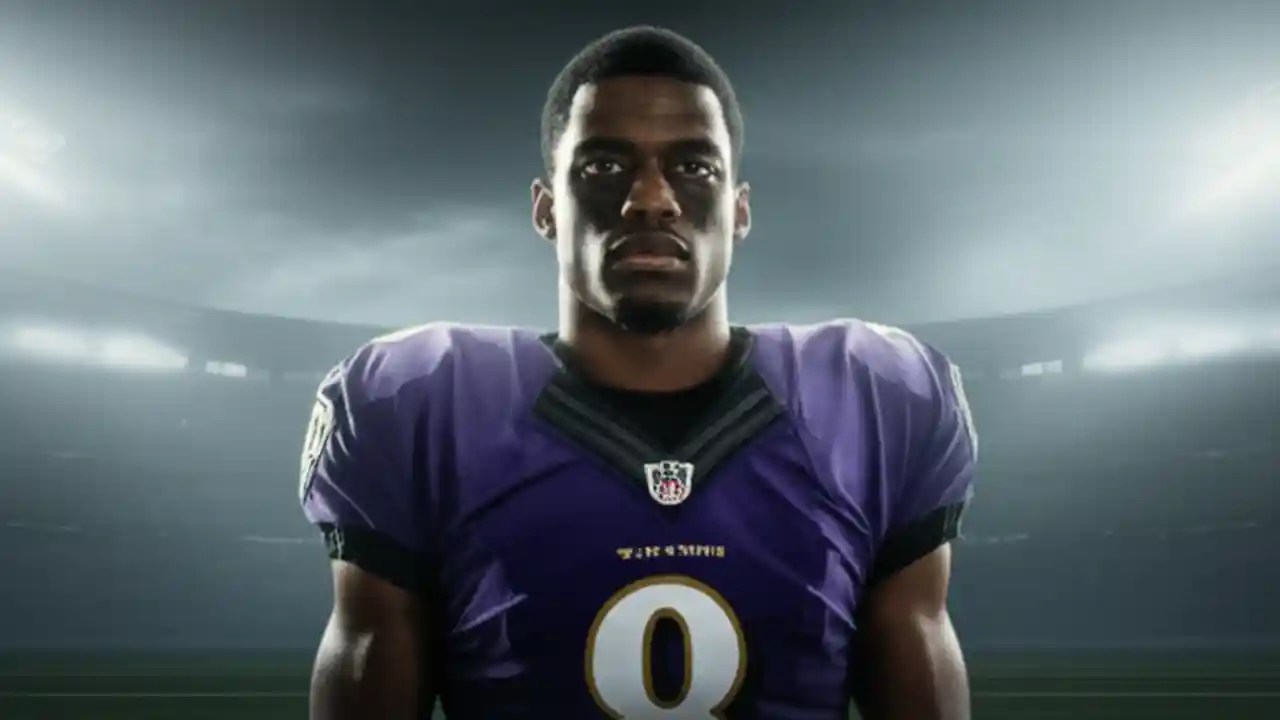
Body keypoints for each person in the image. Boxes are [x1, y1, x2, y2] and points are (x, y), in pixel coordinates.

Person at [301, 25, 977, 720]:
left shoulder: (875, 396)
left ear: (739, 210)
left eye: (695, 167)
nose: (651, 199)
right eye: (602, 167)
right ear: (545, 209)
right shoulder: (418, 403)